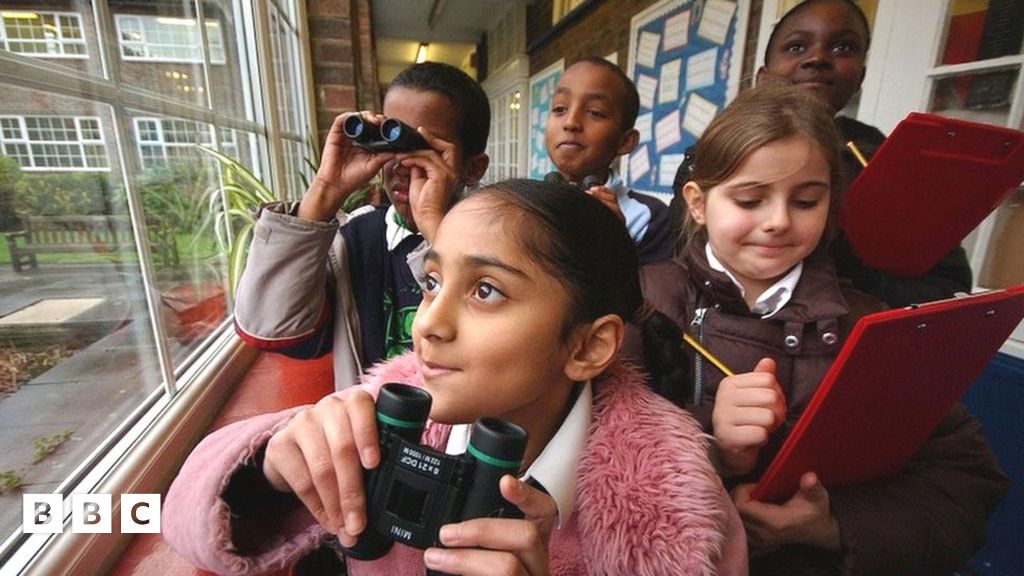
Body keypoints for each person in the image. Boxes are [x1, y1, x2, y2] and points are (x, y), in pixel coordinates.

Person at [162, 179, 748, 576]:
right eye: (433, 283)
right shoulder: (386, 418)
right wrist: (268, 468)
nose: (426, 323)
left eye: (486, 291)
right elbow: (185, 517)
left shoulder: (684, 508)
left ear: (589, 345)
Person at [637, 82, 1008, 575]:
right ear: (698, 203)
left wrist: (833, 526)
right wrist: (712, 448)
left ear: (831, 205)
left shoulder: (870, 324)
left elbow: (965, 482)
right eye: (749, 200)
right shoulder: (642, 304)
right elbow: (585, 467)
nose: (777, 222)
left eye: (806, 201)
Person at [233, 62, 491, 388]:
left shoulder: (498, 246)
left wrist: (435, 228)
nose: (400, 163)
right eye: (391, 141)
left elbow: (496, 346)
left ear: (473, 167)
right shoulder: (356, 238)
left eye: (424, 148)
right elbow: (269, 326)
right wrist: (326, 190)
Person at [757, 0, 973, 307]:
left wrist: (857, 275)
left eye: (843, 47)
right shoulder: (716, 158)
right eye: (795, 47)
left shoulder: (890, 164)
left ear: (861, 76)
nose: (817, 58)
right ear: (763, 77)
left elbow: (948, 286)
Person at [545, 57, 674, 264]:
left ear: (624, 141)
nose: (570, 122)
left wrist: (615, 242)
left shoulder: (649, 218)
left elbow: (650, 293)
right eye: (560, 109)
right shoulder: (526, 203)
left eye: (594, 112)